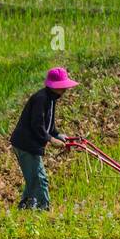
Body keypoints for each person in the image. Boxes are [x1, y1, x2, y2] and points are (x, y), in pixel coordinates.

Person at [10, 66, 78, 210]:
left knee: (33, 178)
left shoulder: (51, 99)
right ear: (55, 86)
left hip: (30, 144)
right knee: (40, 179)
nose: (65, 90)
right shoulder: (41, 99)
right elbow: (37, 126)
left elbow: (49, 126)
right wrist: (51, 140)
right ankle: (44, 208)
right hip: (26, 145)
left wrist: (58, 135)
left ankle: (25, 206)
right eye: (63, 87)